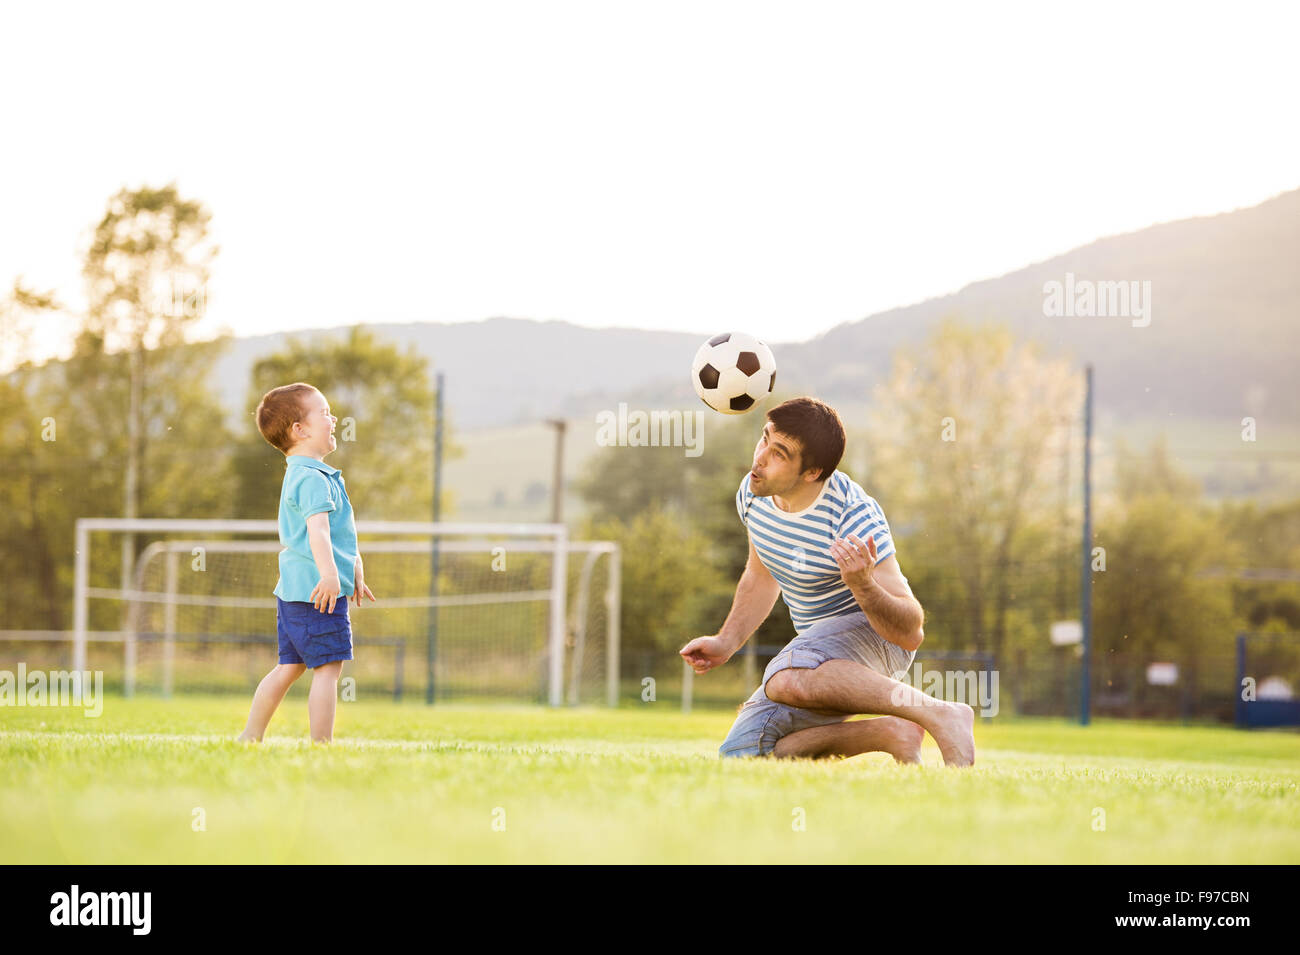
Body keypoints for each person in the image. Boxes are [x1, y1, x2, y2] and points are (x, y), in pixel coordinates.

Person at [679, 397, 974, 766]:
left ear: (812, 473)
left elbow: (910, 631)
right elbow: (761, 574)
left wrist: (863, 585)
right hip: (814, 659)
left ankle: (939, 713)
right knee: (741, 756)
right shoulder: (755, 493)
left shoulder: (852, 516)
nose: (759, 459)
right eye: (764, 439)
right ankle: (889, 732)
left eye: (780, 453)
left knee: (785, 676)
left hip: (875, 638)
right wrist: (726, 642)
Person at [238, 382, 376, 744]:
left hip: (294, 592)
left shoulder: (304, 474)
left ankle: (251, 735)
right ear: (299, 430)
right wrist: (331, 575)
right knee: (329, 669)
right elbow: (319, 533)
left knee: (289, 667)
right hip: (318, 592)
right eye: (325, 413)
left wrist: (354, 567)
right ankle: (321, 745)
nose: (333, 420)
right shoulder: (312, 479)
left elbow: (338, 532)